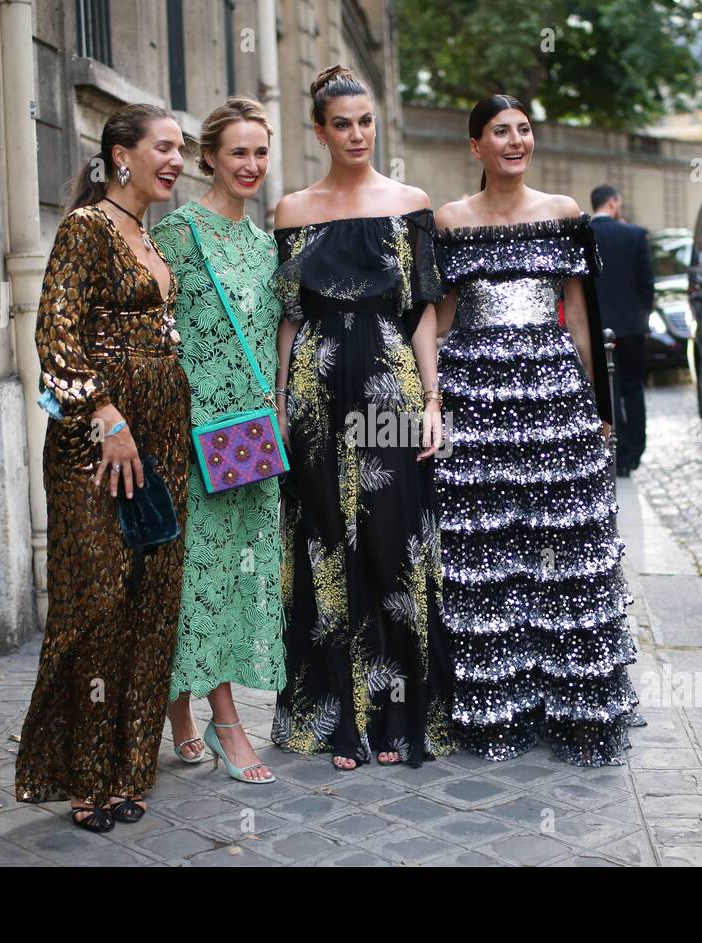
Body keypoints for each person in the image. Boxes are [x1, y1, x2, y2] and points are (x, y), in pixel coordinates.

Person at [433, 95, 642, 767]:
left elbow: (580, 317)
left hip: (553, 399)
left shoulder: (565, 214)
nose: (515, 140)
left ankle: (575, 708)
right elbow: (438, 318)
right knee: (486, 551)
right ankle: (500, 706)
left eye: (524, 130)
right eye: (501, 131)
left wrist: (597, 406)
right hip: (474, 397)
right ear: (476, 146)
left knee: (562, 545)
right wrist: (428, 403)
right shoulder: (448, 220)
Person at [270, 65, 454, 771]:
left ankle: (402, 721)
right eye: (341, 124)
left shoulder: (410, 203)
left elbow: (423, 315)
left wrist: (434, 403)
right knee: (323, 547)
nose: (356, 134)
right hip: (317, 394)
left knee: (393, 542)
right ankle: (336, 720)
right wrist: (283, 399)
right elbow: (289, 318)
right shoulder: (293, 210)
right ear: (320, 131)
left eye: (365, 121)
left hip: (389, 388)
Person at [15, 104, 190, 832]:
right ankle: (81, 776)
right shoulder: (85, 229)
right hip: (99, 446)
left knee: (152, 608)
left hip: (166, 441)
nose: (178, 159)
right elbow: (54, 333)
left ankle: (129, 768)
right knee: (96, 606)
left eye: (182, 148)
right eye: (165, 147)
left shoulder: (148, 236)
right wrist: (105, 416)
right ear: (121, 155)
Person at [151, 97, 285, 784]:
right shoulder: (176, 235)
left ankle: (181, 708)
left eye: (260, 153)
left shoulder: (266, 242)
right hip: (193, 437)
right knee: (199, 578)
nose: (251, 165)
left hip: (252, 441)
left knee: (235, 578)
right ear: (209, 156)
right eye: (238, 152)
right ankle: (227, 722)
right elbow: (152, 338)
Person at [590, 184, 654, 477]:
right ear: (613, 203)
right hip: (631, 327)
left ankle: (614, 448)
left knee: (607, 389)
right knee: (633, 387)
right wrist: (642, 315)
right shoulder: (635, 235)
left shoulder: (585, 234)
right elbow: (647, 284)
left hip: (598, 327)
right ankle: (633, 451)